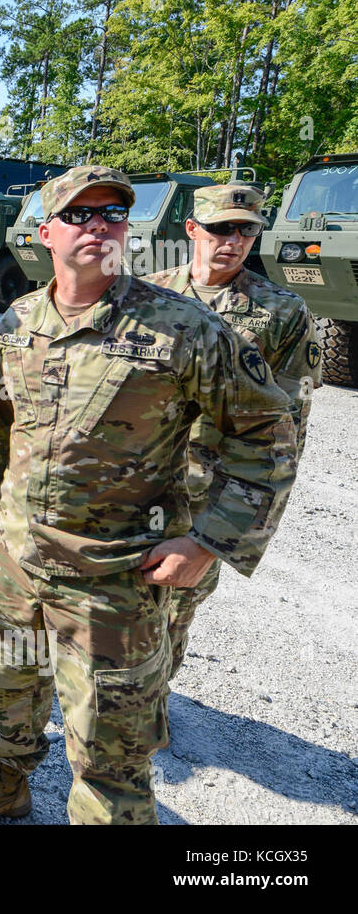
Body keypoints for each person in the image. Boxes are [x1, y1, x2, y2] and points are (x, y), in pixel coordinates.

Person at [0, 166, 298, 825]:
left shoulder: (181, 327)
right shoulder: (18, 319)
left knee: (111, 752)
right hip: (16, 563)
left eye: (112, 214)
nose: (99, 224)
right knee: (7, 691)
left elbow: (267, 433)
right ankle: (7, 781)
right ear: (45, 233)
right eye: (80, 214)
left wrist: (210, 541)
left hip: (113, 581)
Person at [146, 184, 321, 678]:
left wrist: (225, 535)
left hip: (206, 496)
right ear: (192, 229)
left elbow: (287, 435)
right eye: (222, 227)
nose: (234, 239)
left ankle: (150, 712)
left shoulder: (282, 312)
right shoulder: (147, 293)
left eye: (247, 229)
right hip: (132, 485)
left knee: (174, 614)